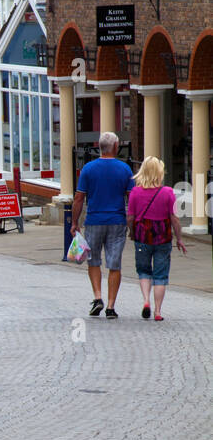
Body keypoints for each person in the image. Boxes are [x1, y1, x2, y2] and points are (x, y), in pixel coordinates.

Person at [71, 131, 135, 318]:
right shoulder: (125, 169)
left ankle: (98, 297)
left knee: (94, 260)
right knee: (114, 264)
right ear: (116, 147)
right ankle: (111, 306)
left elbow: (78, 197)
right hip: (116, 221)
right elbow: (132, 198)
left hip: (94, 221)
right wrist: (131, 222)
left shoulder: (88, 169)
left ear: (100, 147)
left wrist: (75, 222)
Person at [127, 156, 187, 321]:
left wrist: (132, 232)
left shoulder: (135, 192)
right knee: (160, 275)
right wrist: (179, 238)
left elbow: (130, 217)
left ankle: (146, 301)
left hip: (142, 236)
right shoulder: (167, 192)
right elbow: (174, 218)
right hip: (162, 238)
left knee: (144, 271)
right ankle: (158, 311)